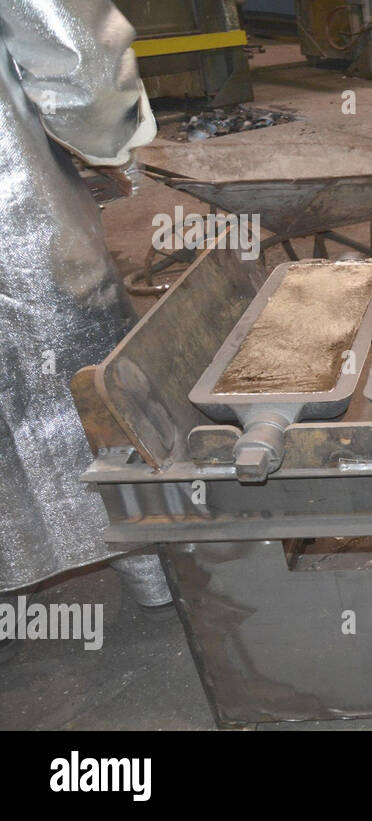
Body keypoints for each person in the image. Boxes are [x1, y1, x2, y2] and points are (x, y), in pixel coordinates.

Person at [0, 1, 169, 606]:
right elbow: (71, 47)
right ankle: (152, 571)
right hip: (11, 211)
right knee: (70, 376)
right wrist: (112, 141)